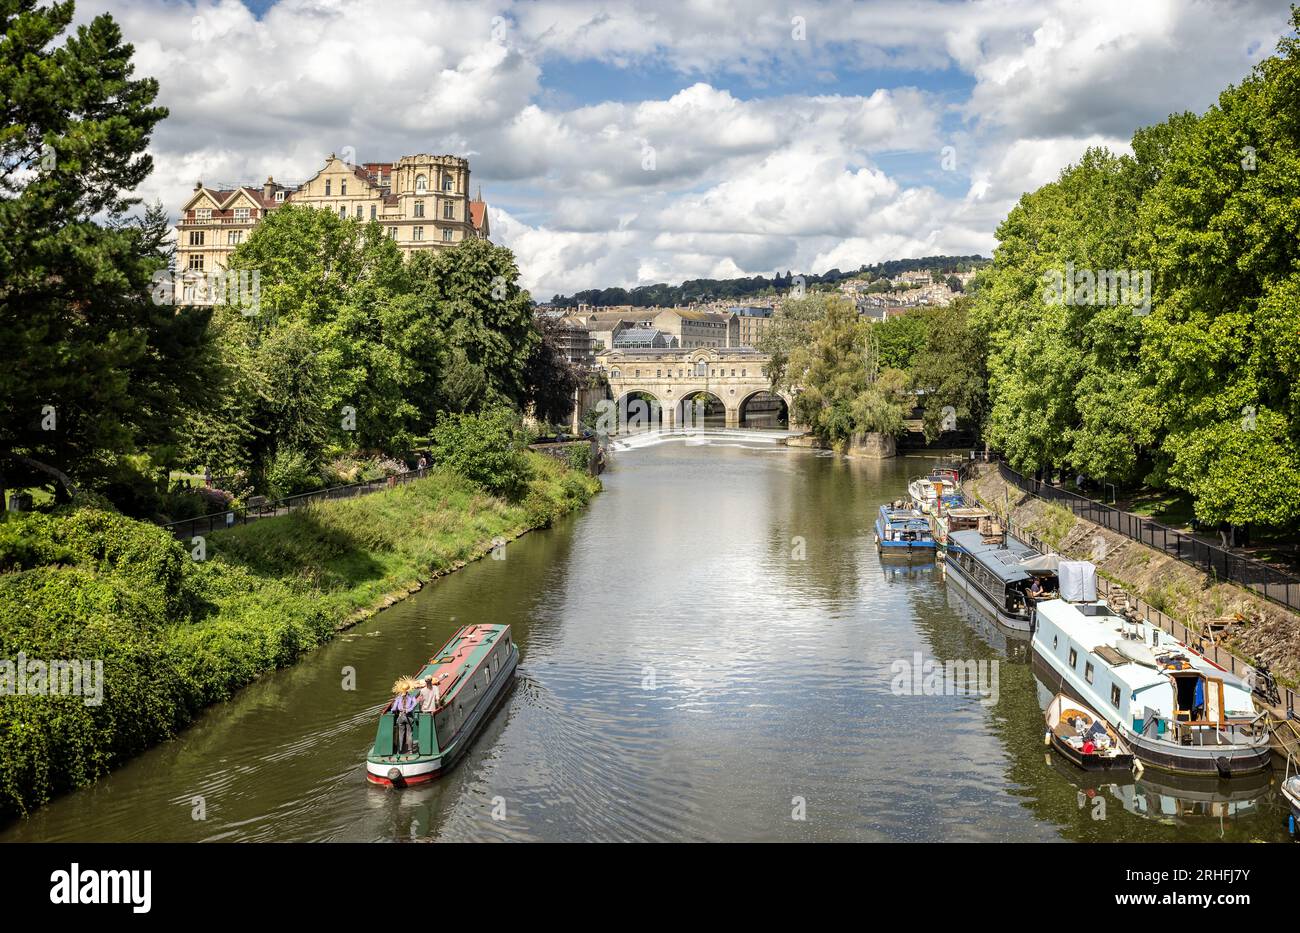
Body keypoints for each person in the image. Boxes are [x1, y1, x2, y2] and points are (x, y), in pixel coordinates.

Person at [389, 689, 417, 754]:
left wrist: (391, 710)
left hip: (401, 716)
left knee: (401, 734)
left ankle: (400, 750)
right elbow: (415, 704)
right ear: (408, 690)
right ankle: (410, 750)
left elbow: (394, 708)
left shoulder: (398, 698)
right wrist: (409, 709)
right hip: (409, 716)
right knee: (409, 734)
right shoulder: (411, 697)